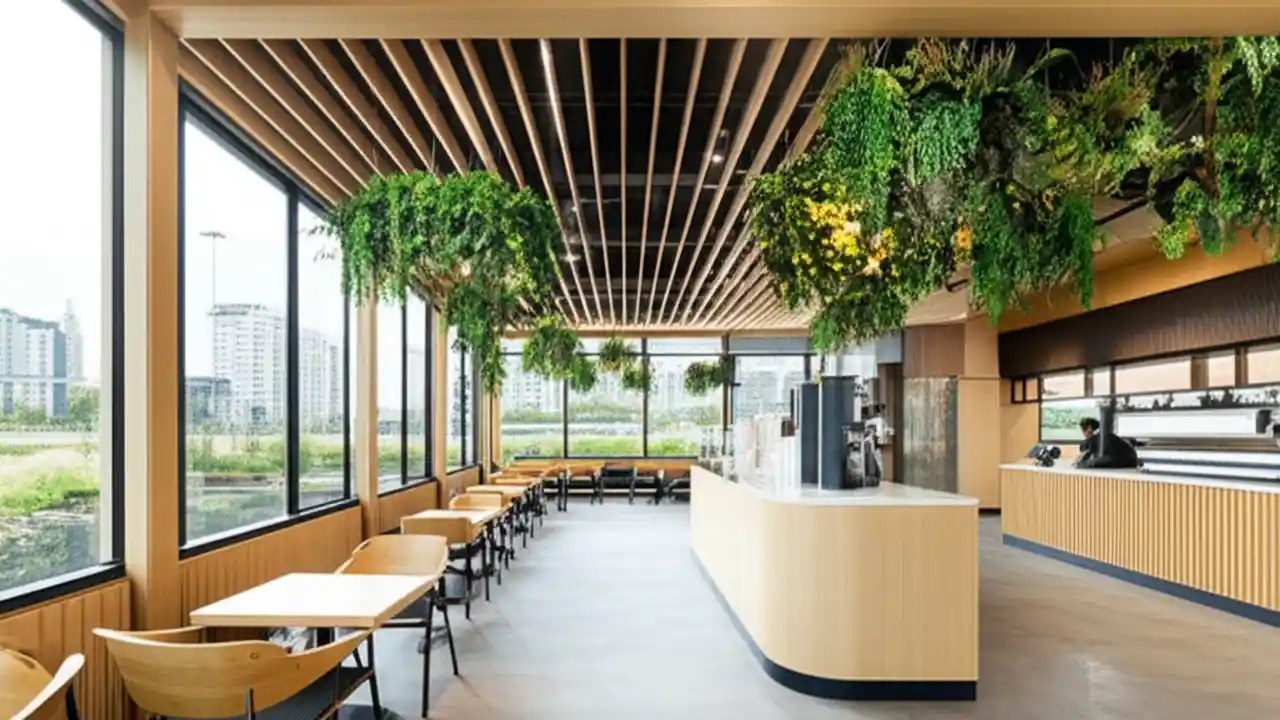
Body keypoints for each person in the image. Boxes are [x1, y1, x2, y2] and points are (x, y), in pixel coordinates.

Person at [1074, 417, 1139, 469]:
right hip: (1131, 462)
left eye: (1083, 430)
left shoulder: (1096, 440)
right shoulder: (1108, 436)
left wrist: (1080, 463)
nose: (1083, 434)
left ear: (1089, 428)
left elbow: (1083, 457)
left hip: (1121, 463)